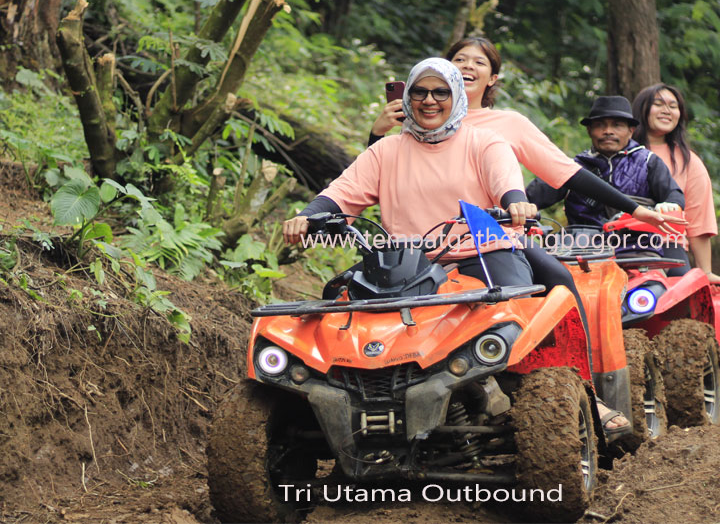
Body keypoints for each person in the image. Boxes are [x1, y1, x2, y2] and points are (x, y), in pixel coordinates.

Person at [368, 40, 672, 434]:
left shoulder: (505, 125)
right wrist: (377, 132)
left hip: (492, 237)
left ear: (493, 77)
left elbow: (564, 172)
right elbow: (372, 177)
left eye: (479, 62)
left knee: (558, 285)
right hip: (416, 245)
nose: (467, 66)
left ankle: (579, 391)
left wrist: (632, 207)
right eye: (458, 60)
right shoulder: (416, 120)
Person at [284, 57, 535, 290]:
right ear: (408, 97)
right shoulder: (387, 149)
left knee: (512, 303)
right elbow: (343, 192)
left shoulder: (485, 143)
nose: (429, 100)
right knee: (338, 296)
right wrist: (306, 218)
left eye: (441, 92)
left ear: (457, 96)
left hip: (483, 252)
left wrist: (516, 204)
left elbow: (505, 182)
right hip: (405, 260)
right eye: (419, 92)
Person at [527, 95, 688, 267]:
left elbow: (674, 195)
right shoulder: (572, 167)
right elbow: (531, 196)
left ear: (631, 130)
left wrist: (669, 205)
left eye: (617, 125)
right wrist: (520, 206)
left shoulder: (649, 162)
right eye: (600, 125)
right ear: (589, 130)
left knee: (658, 288)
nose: (608, 131)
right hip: (580, 251)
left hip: (637, 249)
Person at [631, 84, 720, 284]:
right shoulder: (620, 154)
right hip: (617, 244)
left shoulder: (689, 162)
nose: (667, 110)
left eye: (673, 106)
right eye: (658, 104)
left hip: (667, 247)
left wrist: (706, 272)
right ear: (643, 109)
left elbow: (698, 222)